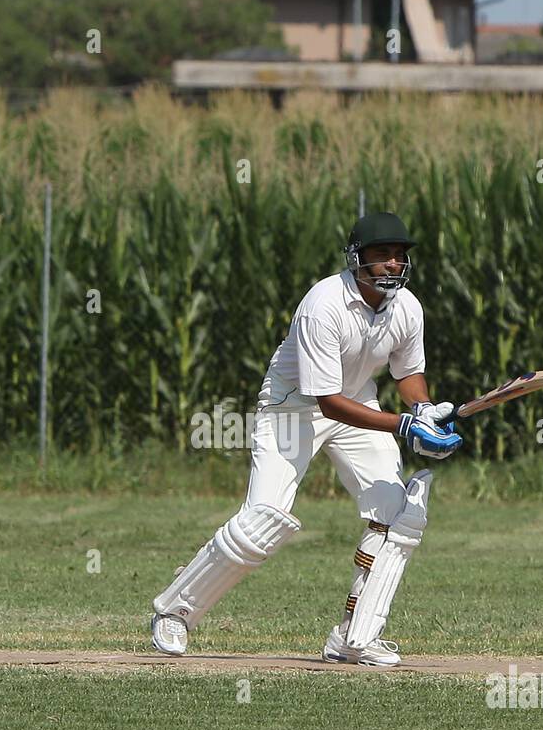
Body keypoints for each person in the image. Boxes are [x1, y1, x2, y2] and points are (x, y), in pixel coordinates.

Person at [149, 212, 462, 667]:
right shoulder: (324, 304)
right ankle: (175, 609)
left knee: (398, 518)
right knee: (263, 522)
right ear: (357, 259)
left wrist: (423, 410)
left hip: (359, 406)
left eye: (400, 256)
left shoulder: (407, 307)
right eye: (382, 255)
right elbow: (327, 402)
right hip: (292, 410)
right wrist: (403, 426)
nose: (393, 264)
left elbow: (408, 372)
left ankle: (355, 637)